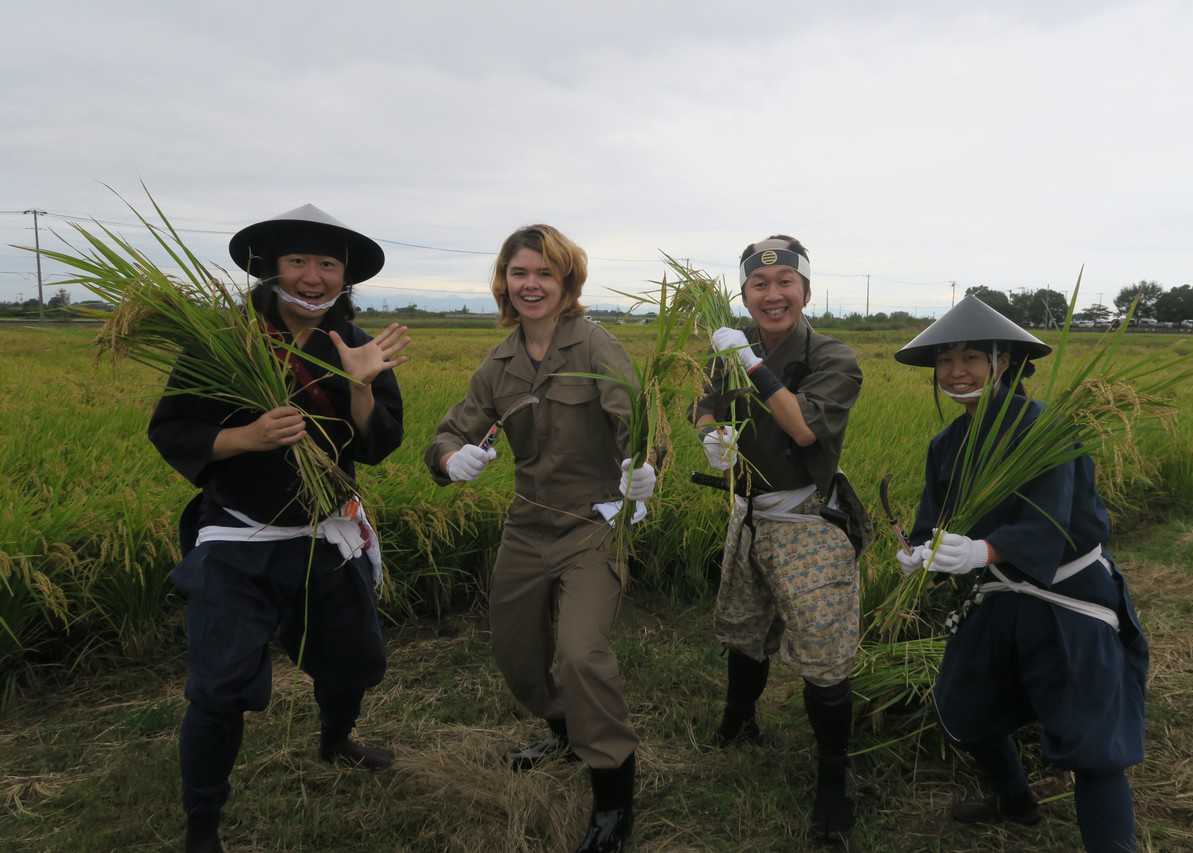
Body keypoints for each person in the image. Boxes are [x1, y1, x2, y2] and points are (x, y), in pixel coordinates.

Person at [150, 204, 409, 853]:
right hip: (239, 538)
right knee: (219, 688)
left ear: (344, 276)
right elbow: (172, 428)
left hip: (325, 532)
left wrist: (361, 388)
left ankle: (336, 739)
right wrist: (248, 435)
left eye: (328, 263)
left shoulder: (353, 344)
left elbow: (376, 444)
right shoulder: (225, 343)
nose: (315, 276)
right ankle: (202, 827)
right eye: (300, 260)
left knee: (354, 661)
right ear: (271, 268)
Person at [425, 224, 653, 853]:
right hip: (527, 526)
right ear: (504, 282)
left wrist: (644, 467)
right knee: (517, 655)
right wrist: (450, 461)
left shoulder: (597, 348)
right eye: (520, 273)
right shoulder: (498, 364)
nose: (531, 285)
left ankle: (611, 796)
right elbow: (450, 431)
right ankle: (559, 727)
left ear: (567, 282)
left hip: (592, 525)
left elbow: (639, 421)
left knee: (582, 653)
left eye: (544, 274)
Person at [893, 295, 1148, 853]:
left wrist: (983, 550)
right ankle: (1015, 801)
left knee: (1092, 741)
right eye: (945, 361)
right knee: (967, 702)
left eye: (970, 358)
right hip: (998, 595)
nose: (956, 372)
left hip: (1066, 595)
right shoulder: (946, 444)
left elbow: (1051, 521)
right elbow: (933, 519)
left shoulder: (1046, 431)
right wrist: (918, 551)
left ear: (1003, 361)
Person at [693, 235, 865, 845]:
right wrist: (710, 436)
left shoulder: (834, 358)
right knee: (745, 626)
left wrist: (749, 361)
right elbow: (706, 405)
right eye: (759, 286)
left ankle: (832, 787)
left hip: (808, 519)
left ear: (805, 291)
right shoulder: (725, 351)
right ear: (745, 294)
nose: (772, 294)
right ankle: (738, 722)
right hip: (749, 512)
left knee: (823, 652)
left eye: (784, 284)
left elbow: (803, 431)